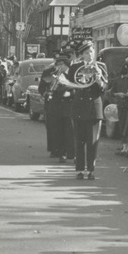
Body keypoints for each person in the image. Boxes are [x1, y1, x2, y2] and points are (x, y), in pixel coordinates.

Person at [64, 39, 108, 180]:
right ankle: (79, 170)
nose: (90, 55)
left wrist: (98, 78)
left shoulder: (101, 66)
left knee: (93, 141)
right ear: (82, 55)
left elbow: (104, 89)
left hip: (94, 108)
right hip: (79, 107)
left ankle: (90, 170)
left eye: (92, 52)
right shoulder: (75, 67)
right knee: (79, 140)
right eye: (87, 52)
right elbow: (69, 85)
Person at [38, 53, 72, 161]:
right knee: (54, 129)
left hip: (67, 105)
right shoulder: (49, 72)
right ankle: (56, 150)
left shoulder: (71, 73)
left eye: (62, 64)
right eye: (58, 64)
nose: (59, 66)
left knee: (68, 130)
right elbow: (41, 88)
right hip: (53, 104)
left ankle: (67, 152)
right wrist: (47, 95)